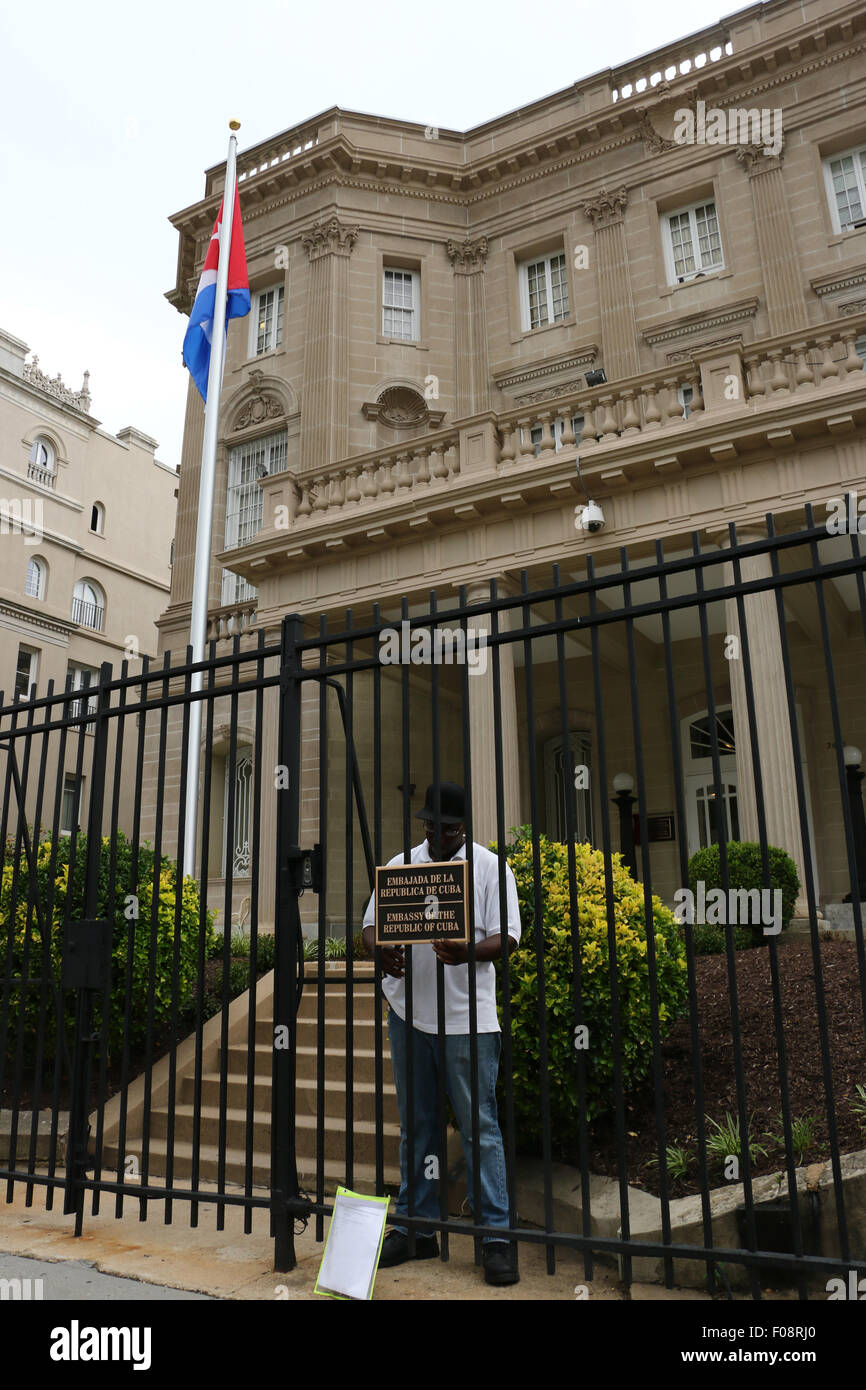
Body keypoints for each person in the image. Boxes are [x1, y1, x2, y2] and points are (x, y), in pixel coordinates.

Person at [362, 781, 522, 1287]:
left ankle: (495, 1236)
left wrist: (467, 952)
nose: (436, 835)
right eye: (429, 826)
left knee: (480, 1127)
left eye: (446, 828)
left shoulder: (492, 868)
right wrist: (378, 951)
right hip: (409, 1015)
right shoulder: (403, 863)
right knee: (417, 1126)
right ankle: (419, 1228)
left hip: (467, 1022)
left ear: (463, 827)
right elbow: (371, 924)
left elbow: (509, 936)